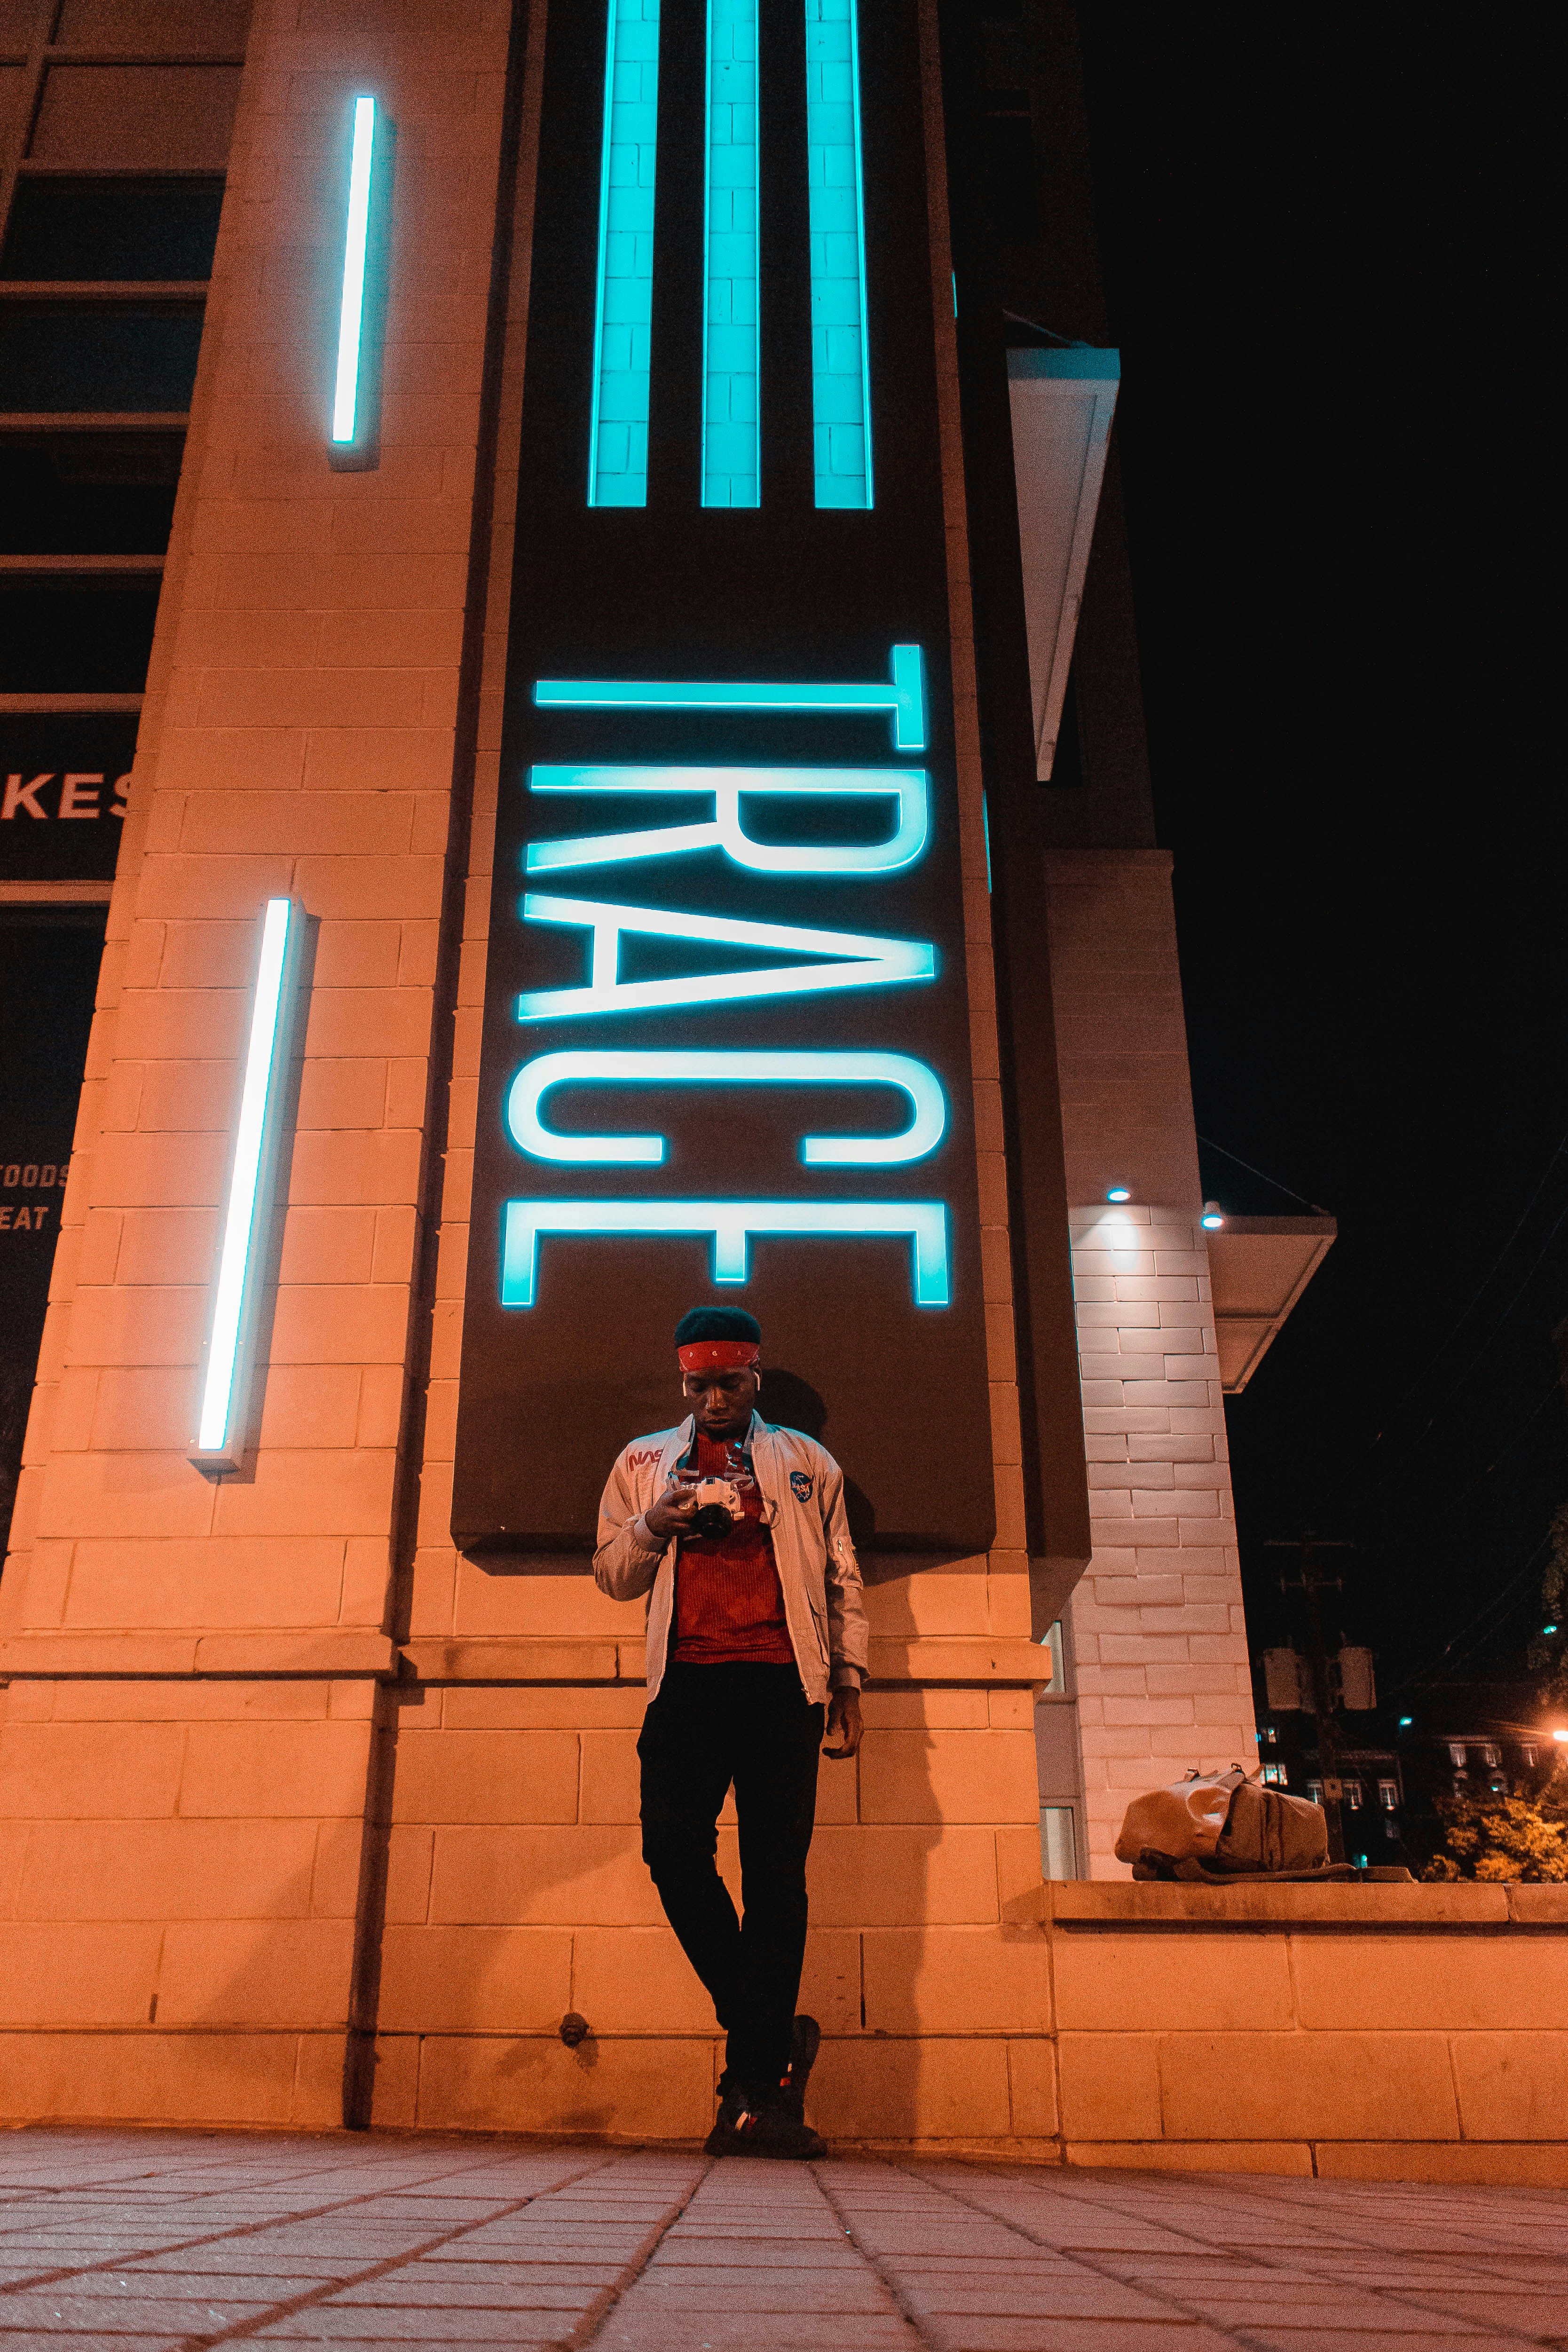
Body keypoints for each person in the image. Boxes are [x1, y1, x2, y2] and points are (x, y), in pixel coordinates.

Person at [594, 1304, 868, 2157]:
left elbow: (842, 1574)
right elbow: (610, 1572)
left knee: (776, 1880)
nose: (715, 1398)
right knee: (672, 1853)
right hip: (685, 1687)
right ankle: (769, 2040)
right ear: (683, 1381)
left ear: (757, 1376)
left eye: (730, 1381)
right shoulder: (645, 1461)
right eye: (699, 1383)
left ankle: (753, 2092)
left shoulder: (806, 1462)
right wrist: (656, 1523)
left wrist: (849, 1681)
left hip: (786, 1686)